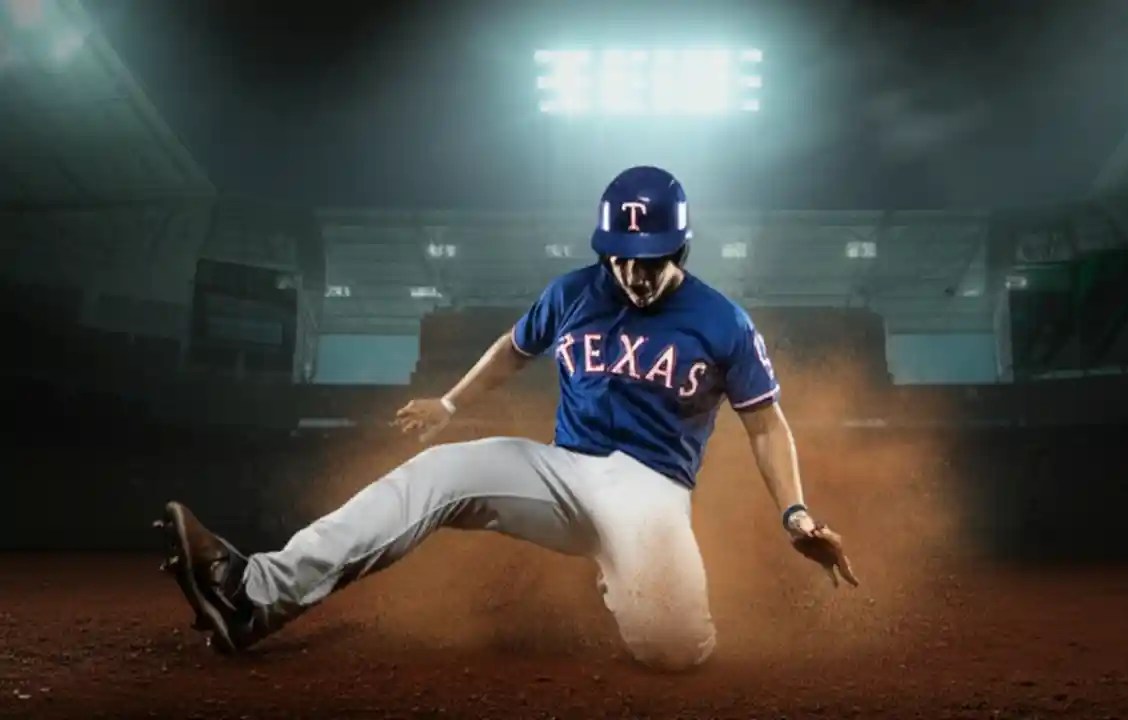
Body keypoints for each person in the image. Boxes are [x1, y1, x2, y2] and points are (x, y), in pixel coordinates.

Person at [156, 165, 859, 672]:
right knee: (436, 473)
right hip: (560, 472)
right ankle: (251, 593)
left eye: (652, 260)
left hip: (651, 491)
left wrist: (795, 513)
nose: (635, 273)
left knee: (673, 651)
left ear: (681, 248)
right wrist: (452, 404)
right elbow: (513, 348)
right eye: (622, 257)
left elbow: (766, 423)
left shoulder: (720, 320)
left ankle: (628, 575)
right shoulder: (573, 293)